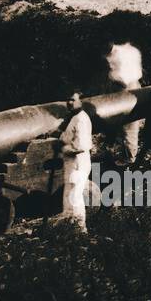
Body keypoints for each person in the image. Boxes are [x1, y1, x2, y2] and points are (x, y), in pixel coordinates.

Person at [57, 90, 93, 230]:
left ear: (81, 102)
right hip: (72, 163)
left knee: (75, 197)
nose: (70, 102)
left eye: (73, 100)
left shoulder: (81, 119)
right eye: (68, 100)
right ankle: (70, 228)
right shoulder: (74, 117)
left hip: (78, 162)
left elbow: (81, 146)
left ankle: (80, 229)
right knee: (69, 197)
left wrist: (63, 148)